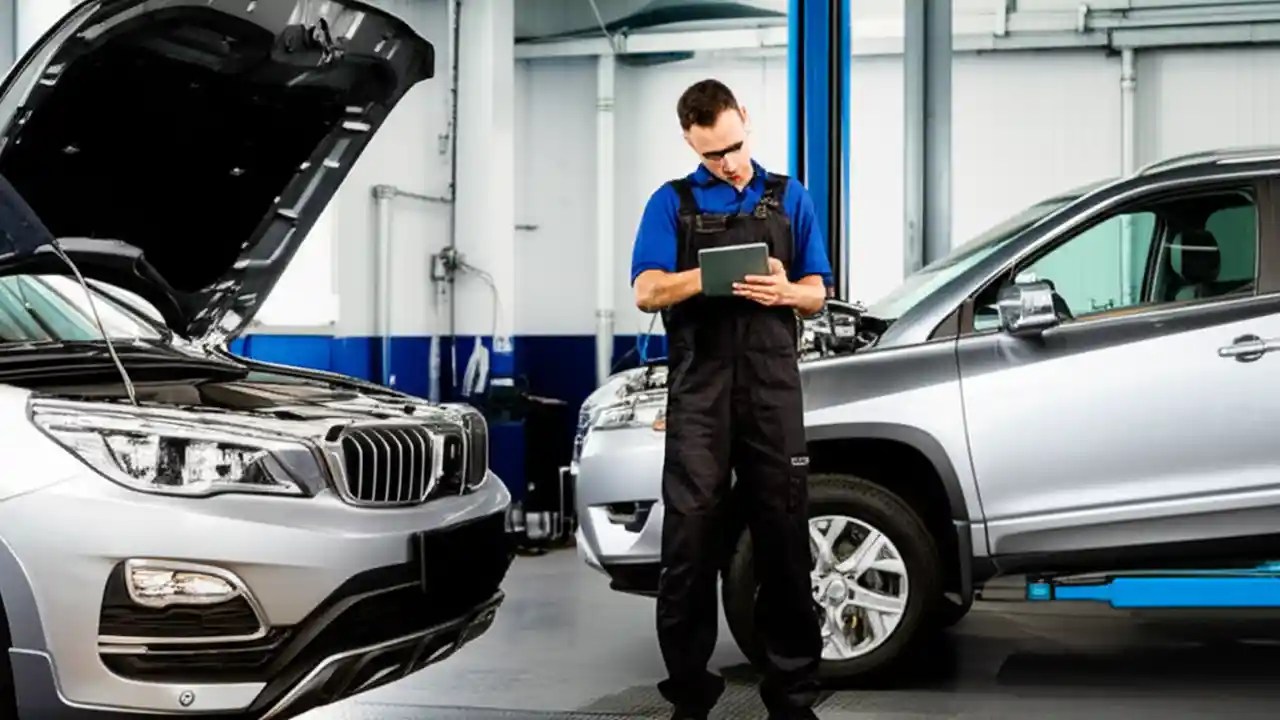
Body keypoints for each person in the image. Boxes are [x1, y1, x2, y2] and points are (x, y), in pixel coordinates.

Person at [630, 78, 832, 720]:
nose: (730, 163)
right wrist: (709, 276)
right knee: (689, 548)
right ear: (690, 141)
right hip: (701, 391)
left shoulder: (789, 195)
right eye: (714, 154)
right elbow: (646, 292)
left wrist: (785, 292)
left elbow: (817, 291)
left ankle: (793, 698)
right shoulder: (671, 203)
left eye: (735, 146)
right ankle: (689, 697)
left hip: (773, 389)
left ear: (744, 119)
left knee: (783, 540)